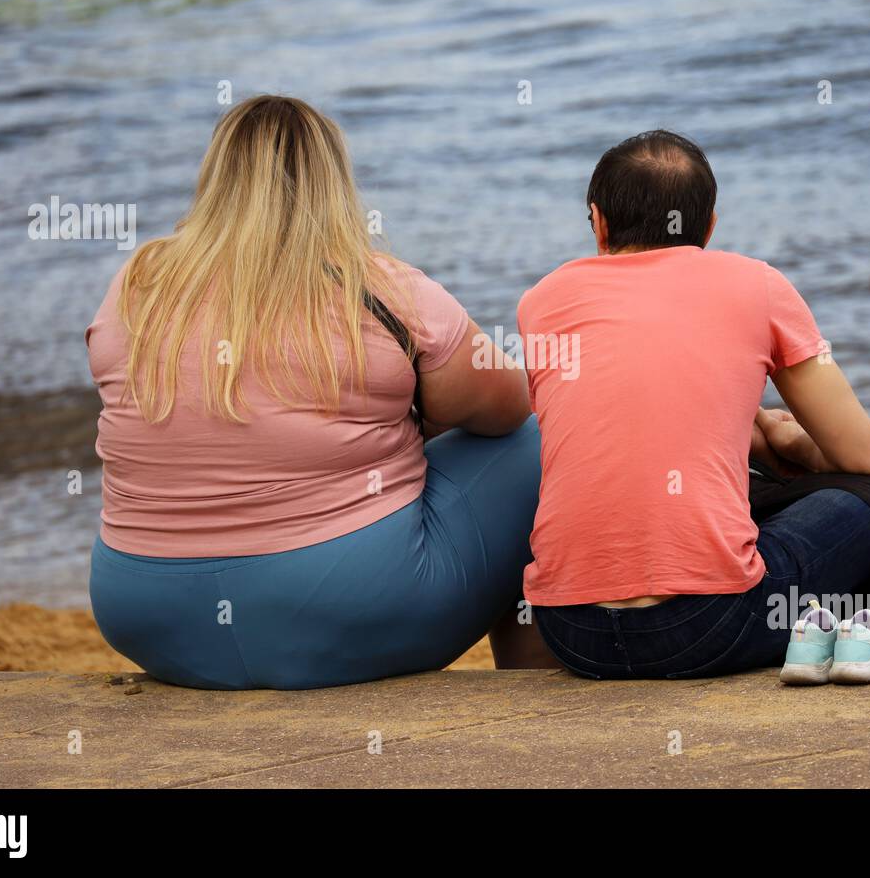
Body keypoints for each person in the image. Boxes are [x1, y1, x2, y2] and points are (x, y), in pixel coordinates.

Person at [86, 95, 553, 690]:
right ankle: (532, 679)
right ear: (333, 183)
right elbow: (508, 406)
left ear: (216, 179)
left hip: (148, 618)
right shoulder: (382, 290)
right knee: (541, 441)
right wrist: (413, 416)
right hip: (343, 609)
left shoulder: (138, 283)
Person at [517, 130, 870, 682]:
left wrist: (752, 426)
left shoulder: (542, 303)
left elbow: (631, 416)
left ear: (598, 223)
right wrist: (790, 441)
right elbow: (860, 453)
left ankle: (830, 638)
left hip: (573, 633)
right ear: (710, 226)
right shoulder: (756, 285)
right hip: (706, 628)